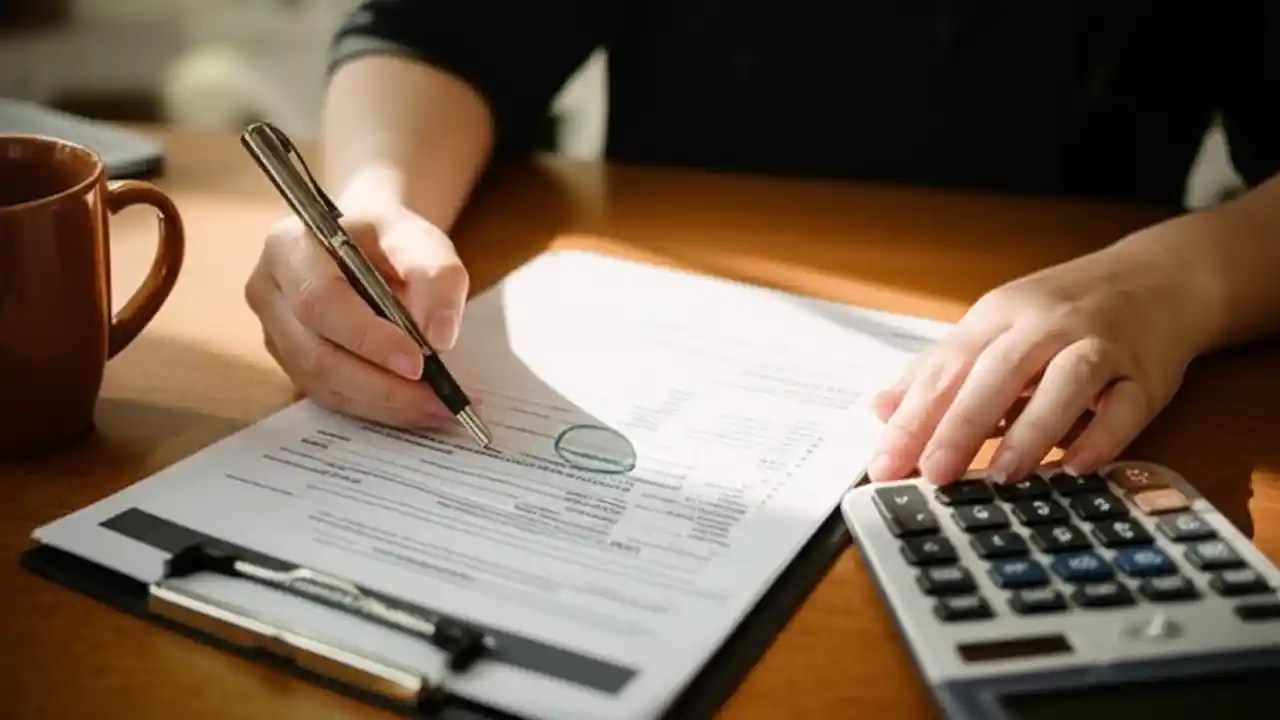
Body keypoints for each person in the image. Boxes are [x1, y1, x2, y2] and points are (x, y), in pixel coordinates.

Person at [243, 2, 1280, 487]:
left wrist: (1177, 279)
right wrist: (376, 201)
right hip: (669, 317)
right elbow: (438, 34)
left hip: (1073, 401)